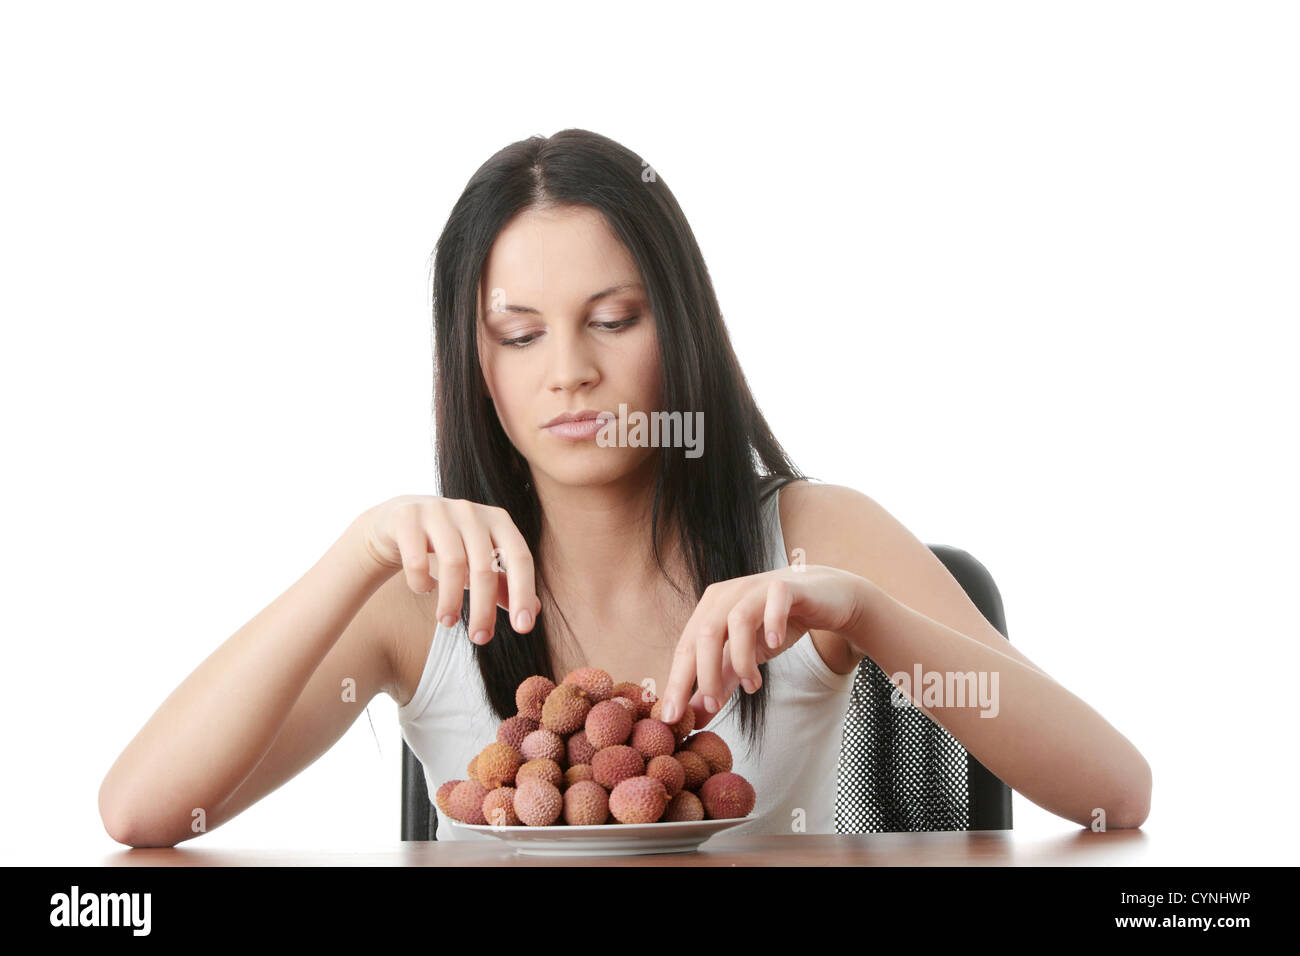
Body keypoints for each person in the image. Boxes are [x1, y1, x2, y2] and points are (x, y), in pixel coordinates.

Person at [99, 129, 1151, 848]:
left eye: (612, 320)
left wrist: (863, 610)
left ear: (679, 329)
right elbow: (140, 810)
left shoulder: (815, 534)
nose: (570, 371)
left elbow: (1114, 792)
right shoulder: (421, 592)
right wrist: (355, 552)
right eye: (520, 334)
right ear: (474, 364)